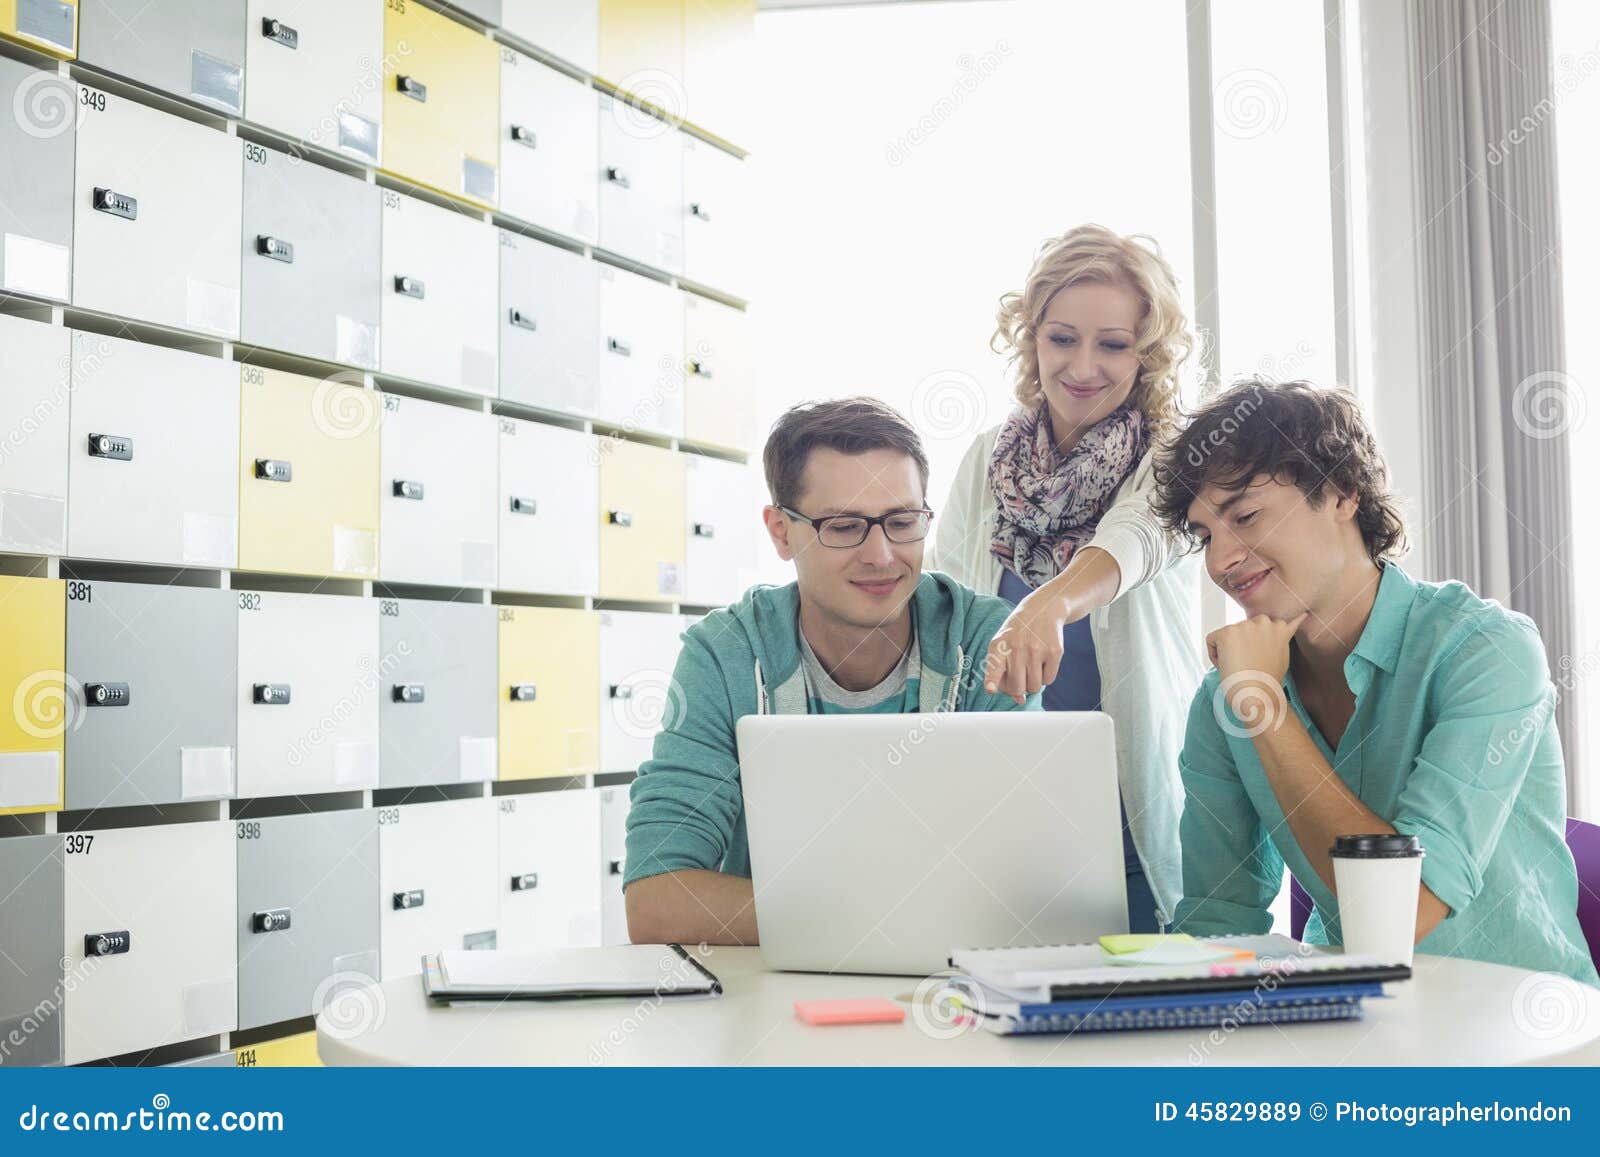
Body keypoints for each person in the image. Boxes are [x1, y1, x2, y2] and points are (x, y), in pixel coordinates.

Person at [1151, 377, 1597, 985]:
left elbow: (1406, 912)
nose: (1220, 559)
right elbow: (1217, 922)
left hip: (1519, 1025)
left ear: (1342, 492)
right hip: (1352, 1019)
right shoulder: (1224, 698)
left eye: (1246, 516)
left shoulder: (1487, 650)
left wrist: (1266, 709)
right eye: (1204, 536)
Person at [624, 397, 1040, 946]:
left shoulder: (987, 641)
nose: (882, 555)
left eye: (902, 522)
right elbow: (656, 902)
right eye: (844, 527)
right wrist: (888, 917)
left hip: (951, 982)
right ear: (781, 532)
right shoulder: (726, 654)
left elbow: (1024, 888)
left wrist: (823, 916)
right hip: (779, 987)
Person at [932, 224, 1204, 932]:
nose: (1084, 366)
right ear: (1031, 339)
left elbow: (1136, 538)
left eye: (1113, 344)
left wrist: (1046, 605)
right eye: (1062, 338)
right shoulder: (988, 459)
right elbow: (944, 612)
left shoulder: (1174, 457)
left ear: (1146, 354)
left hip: (1132, 815)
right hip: (1003, 822)